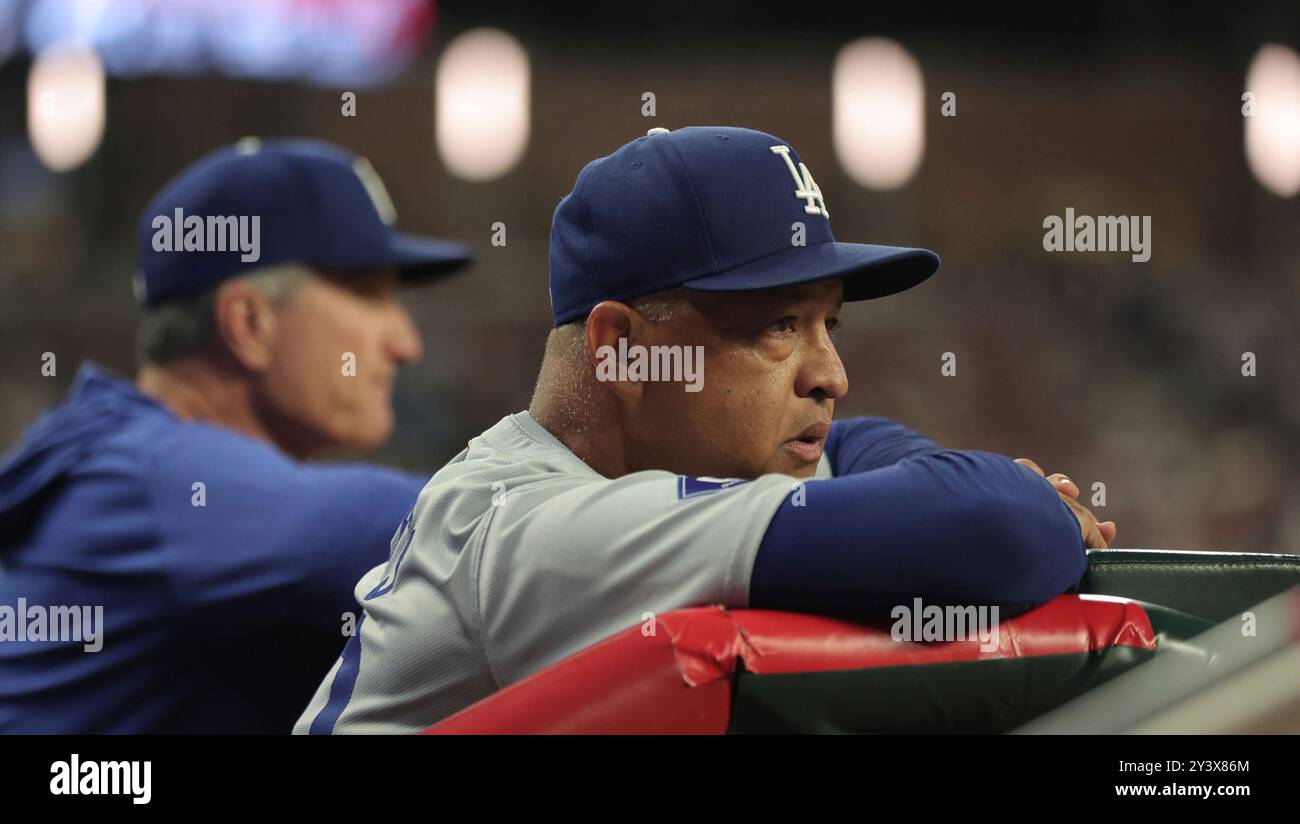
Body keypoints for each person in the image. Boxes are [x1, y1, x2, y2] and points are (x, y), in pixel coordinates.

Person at [295, 126, 1115, 735]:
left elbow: (859, 440)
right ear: (620, 351)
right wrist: (1028, 504)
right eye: (778, 325)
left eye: (831, 325)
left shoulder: (658, 470)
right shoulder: (529, 531)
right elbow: (991, 532)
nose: (829, 373)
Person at [0, 138, 474, 733]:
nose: (406, 344)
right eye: (368, 294)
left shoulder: (126, 464)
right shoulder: (158, 479)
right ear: (249, 323)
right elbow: (472, 526)